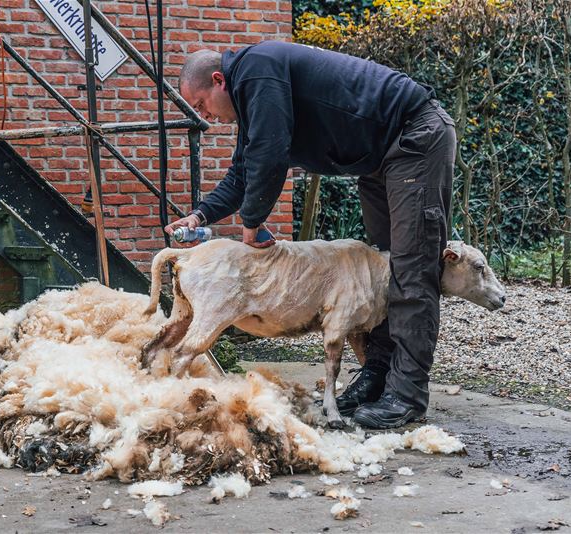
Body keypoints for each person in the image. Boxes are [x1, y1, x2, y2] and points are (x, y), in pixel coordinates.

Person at [165, 41, 456, 429]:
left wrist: (252, 222)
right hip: (378, 159)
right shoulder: (252, 95)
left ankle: (407, 395)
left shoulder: (256, 68)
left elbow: (272, 151)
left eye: (200, 105)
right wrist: (199, 214)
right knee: (384, 272)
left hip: (413, 139)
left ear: (219, 81)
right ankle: (378, 375)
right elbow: (243, 171)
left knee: (411, 269)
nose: (204, 116)